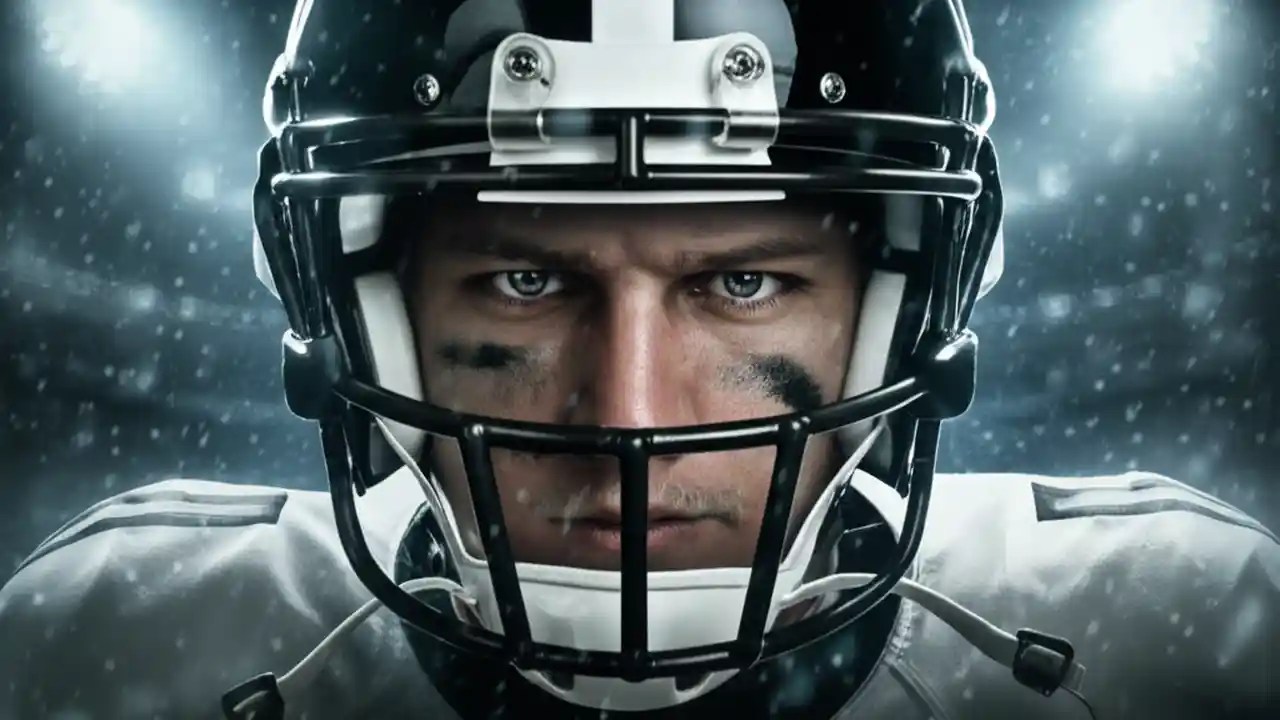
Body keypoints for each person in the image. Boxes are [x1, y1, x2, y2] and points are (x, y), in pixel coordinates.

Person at [1, 0, 1276, 718]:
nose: (624, 419)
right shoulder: (104, 650)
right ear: (348, 303)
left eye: (741, 282)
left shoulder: (1194, 644)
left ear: (907, 300)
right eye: (524, 280)